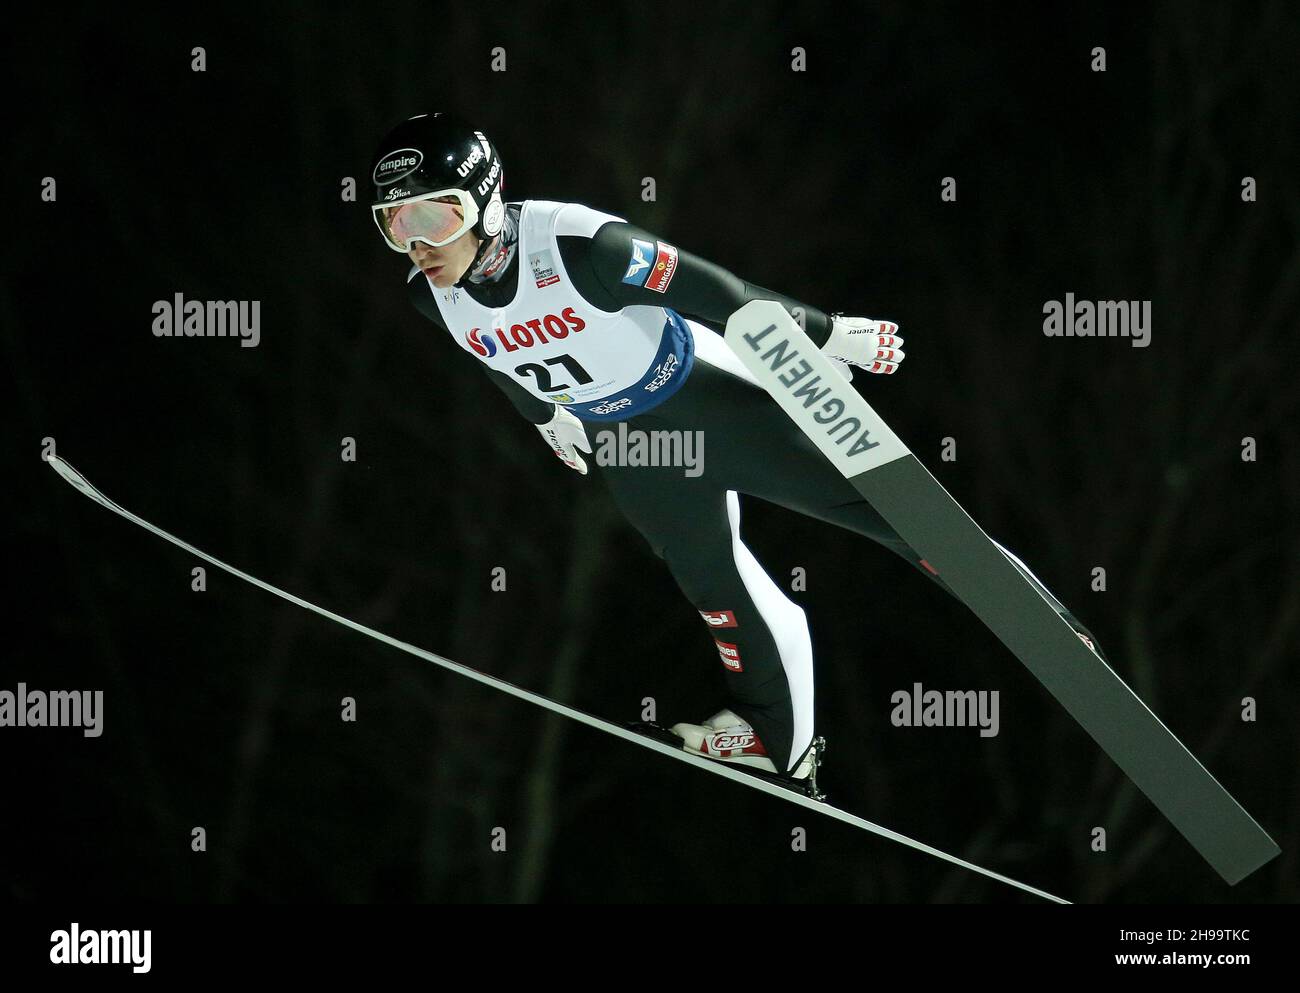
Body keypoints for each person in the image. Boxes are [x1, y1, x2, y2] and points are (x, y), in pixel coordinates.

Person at [369, 111, 1108, 786]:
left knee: (892, 512)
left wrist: (826, 331)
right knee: (714, 587)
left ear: (488, 201)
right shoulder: (428, 294)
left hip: (709, 396)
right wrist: (544, 418)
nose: (418, 242)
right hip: (630, 447)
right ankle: (780, 739)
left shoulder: (582, 247)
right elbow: (493, 355)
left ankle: (1043, 623)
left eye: (434, 215)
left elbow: (717, 292)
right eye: (395, 224)